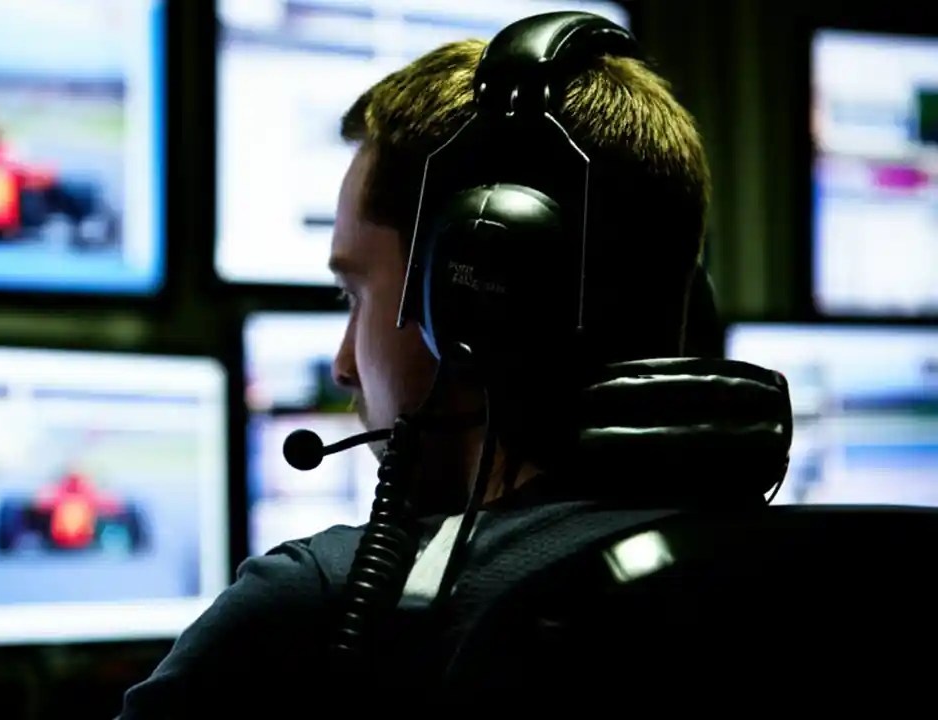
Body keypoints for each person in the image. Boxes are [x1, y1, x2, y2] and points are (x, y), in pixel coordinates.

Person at [119, 22, 771, 717]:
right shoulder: (801, 578)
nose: (343, 363)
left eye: (353, 294)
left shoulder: (313, 611)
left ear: (471, 291)